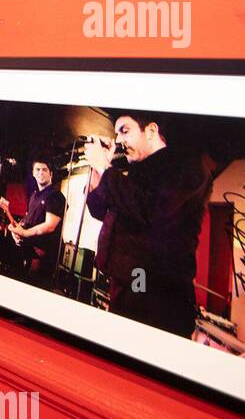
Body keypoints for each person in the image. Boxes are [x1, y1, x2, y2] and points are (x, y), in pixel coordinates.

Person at [84, 111, 212, 338]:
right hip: (124, 290)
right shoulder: (134, 173)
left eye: (125, 131)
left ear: (151, 131)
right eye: (117, 133)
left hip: (158, 300)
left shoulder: (185, 166)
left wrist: (106, 169)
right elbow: (99, 210)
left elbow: (152, 211)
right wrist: (97, 172)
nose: (119, 140)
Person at [0, 157, 64, 284]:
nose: (40, 172)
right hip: (28, 251)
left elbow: (50, 226)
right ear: (33, 173)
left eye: (44, 169)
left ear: (51, 173)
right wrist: (15, 228)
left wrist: (23, 233)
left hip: (43, 258)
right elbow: (25, 223)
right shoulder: (34, 196)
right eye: (37, 169)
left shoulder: (56, 196)